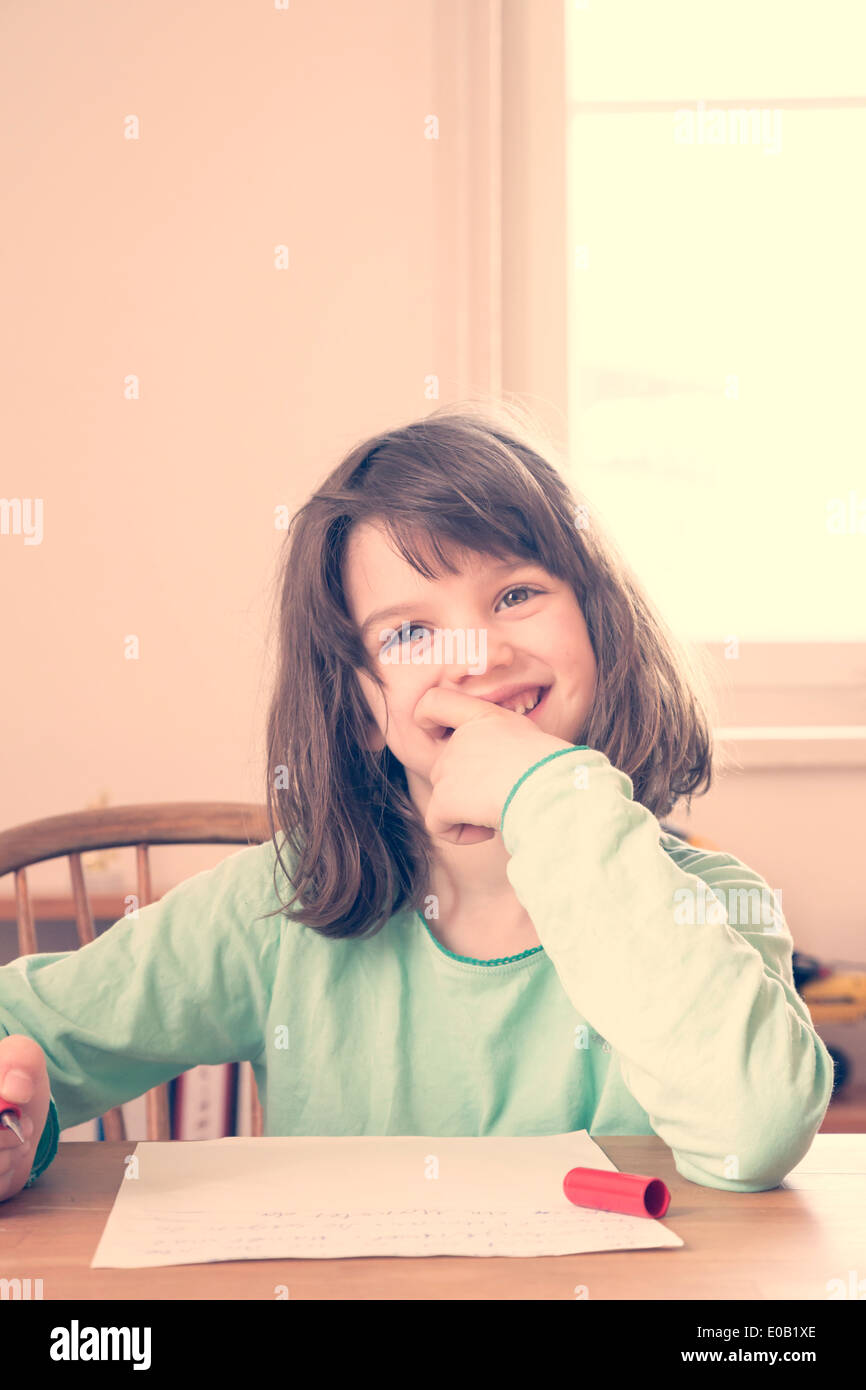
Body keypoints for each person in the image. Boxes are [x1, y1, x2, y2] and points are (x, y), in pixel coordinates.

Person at [0, 399, 835, 1202]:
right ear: (358, 708)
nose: (478, 656)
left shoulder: (714, 904)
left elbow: (750, 1133)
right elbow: (29, 1033)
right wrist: (15, 1117)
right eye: (409, 633)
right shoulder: (283, 905)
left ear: (601, 627)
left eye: (515, 595)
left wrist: (548, 793)